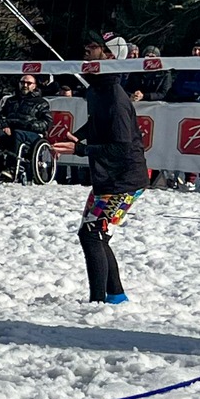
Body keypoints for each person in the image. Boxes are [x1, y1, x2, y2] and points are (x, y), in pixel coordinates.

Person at [77, 37, 149, 305]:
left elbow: (119, 147)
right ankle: (116, 295)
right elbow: (96, 122)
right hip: (107, 177)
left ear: (108, 56)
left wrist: (84, 151)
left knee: (92, 233)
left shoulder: (116, 97)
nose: (86, 51)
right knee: (93, 234)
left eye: (93, 48)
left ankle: (98, 302)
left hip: (125, 179)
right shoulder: (96, 89)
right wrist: (75, 137)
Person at [0, 73, 53, 173]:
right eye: (22, 82)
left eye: (28, 83)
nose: (25, 85)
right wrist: (4, 125)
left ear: (34, 85)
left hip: (30, 133)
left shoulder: (41, 103)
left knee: (17, 134)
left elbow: (47, 123)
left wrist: (28, 125)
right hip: (10, 130)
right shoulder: (11, 101)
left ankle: (11, 168)